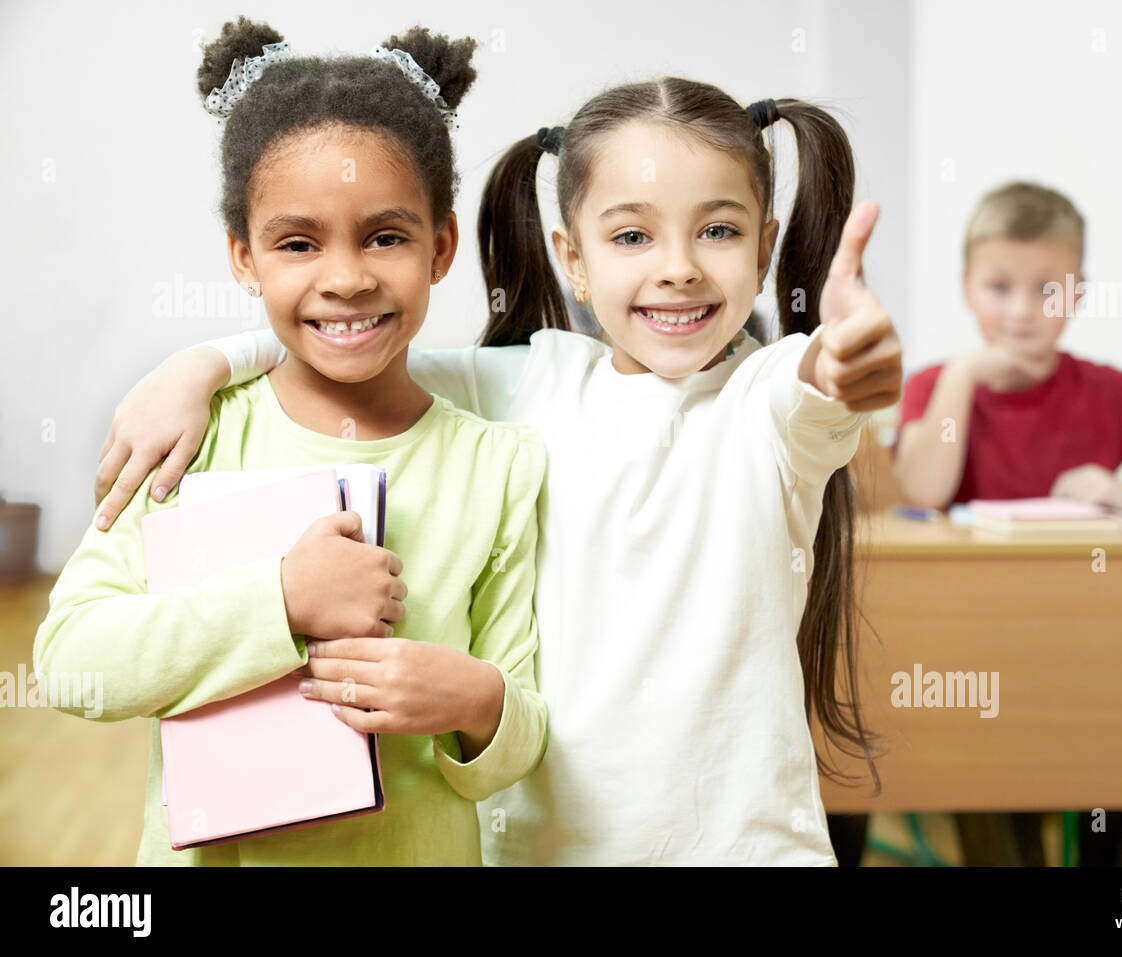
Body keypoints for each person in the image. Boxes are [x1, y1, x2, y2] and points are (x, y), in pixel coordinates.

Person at [93, 77, 903, 865]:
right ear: (573, 259)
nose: (680, 267)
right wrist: (197, 366)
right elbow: (348, 338)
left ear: (765, 248)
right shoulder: (524, 381)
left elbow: (823, 385)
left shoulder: (766, 399)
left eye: (718, 232)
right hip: (538, 848)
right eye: (631, 237)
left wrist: (848, 360)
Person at [33, 18, 547, 866]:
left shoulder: (497, 466)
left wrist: (476, 700)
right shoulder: (193, 435)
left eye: (386, 235)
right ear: (244, 256)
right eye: (298, 243)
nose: (345, 277)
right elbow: (71, 660)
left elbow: (516, 735)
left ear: (441, 245)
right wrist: (281, 602)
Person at [892, 180, 1122, 866]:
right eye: (999, 286)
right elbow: (922, 489)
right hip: (978, 656)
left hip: (1099, 652)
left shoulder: (1113, 391)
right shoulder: (933, 385)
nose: (1023, 310)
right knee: (997, 792)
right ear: (966, 289)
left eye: (1047, 289)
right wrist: (964, 376)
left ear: (1078, 293)